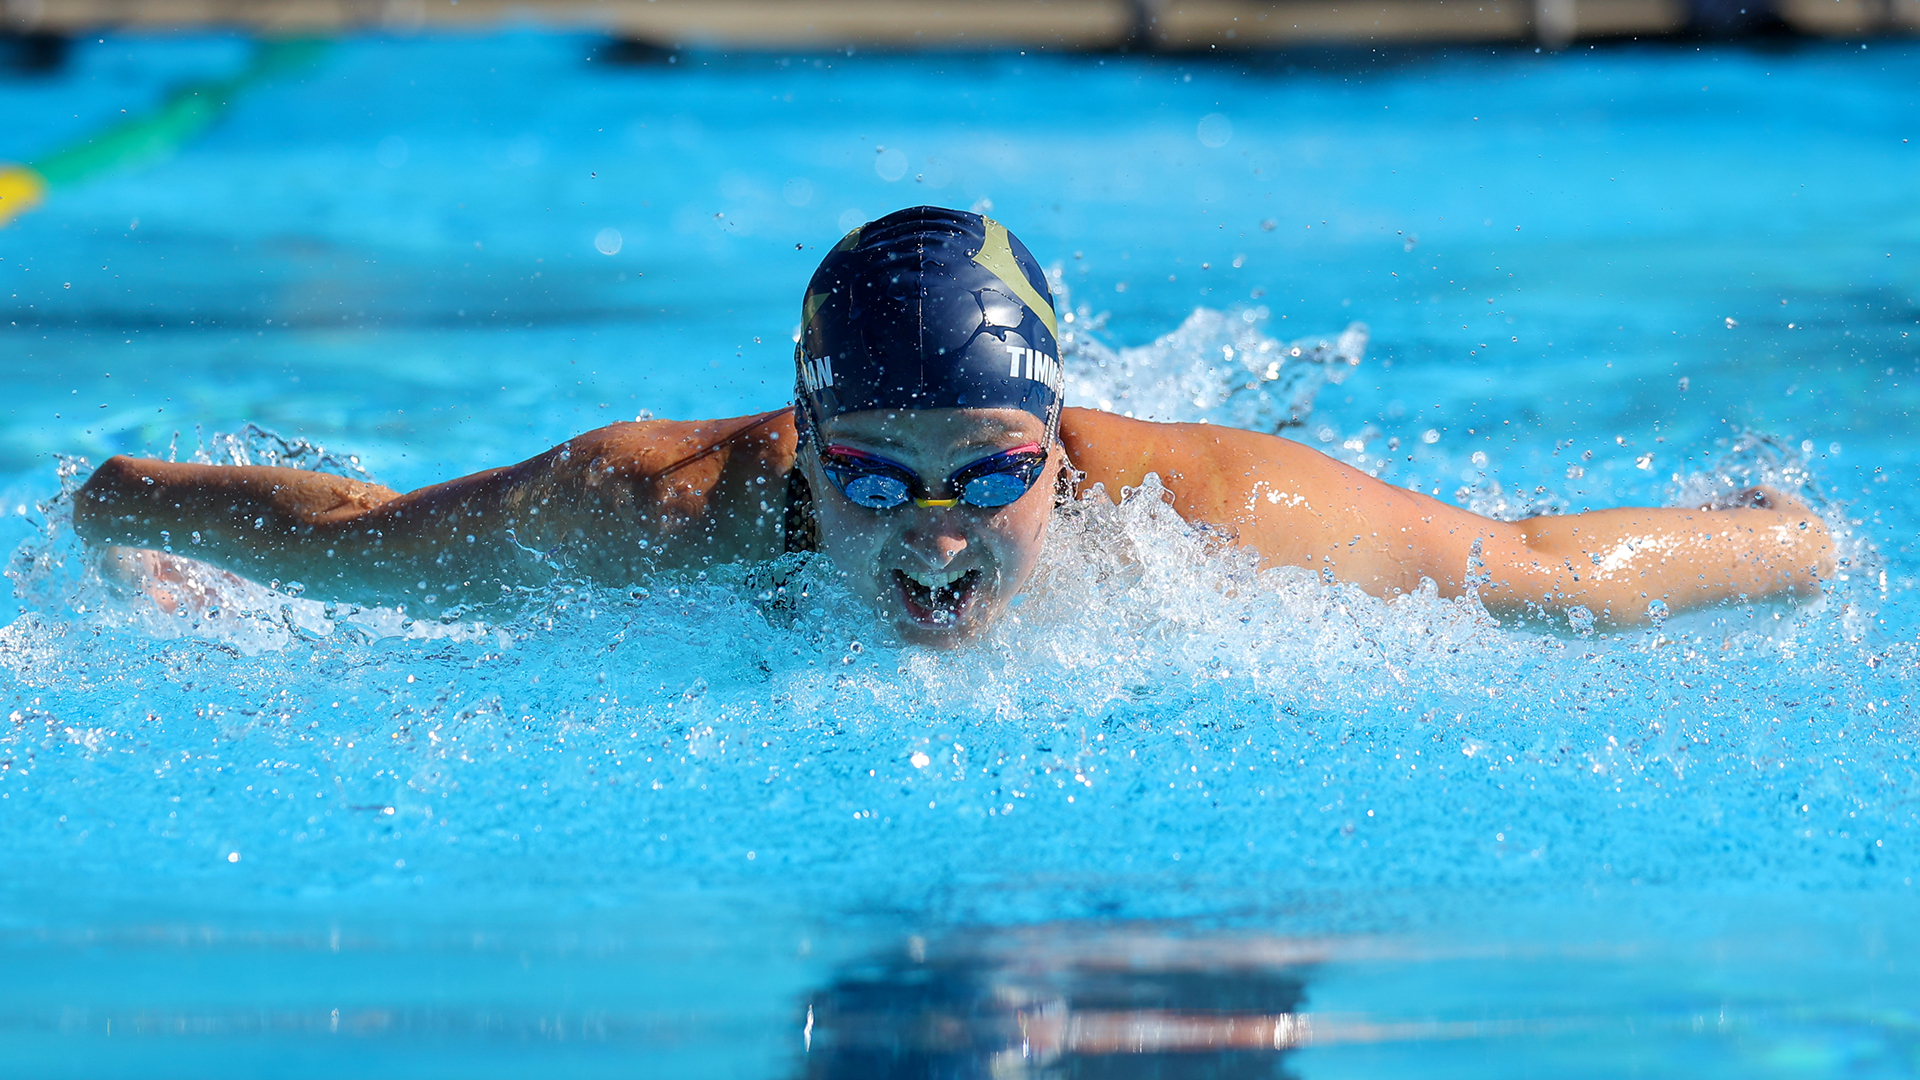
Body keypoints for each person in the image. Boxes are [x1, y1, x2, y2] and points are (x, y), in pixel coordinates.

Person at [72, 206, 1832, 645]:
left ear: (1058, 457)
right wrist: (114, 505)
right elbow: (365, 547)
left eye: (991, 475)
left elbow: (1537, 571)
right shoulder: (663, 508)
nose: (932, 529)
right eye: (872, 474)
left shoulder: (1202, 516)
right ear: (801, 445)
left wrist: (1792, 540)